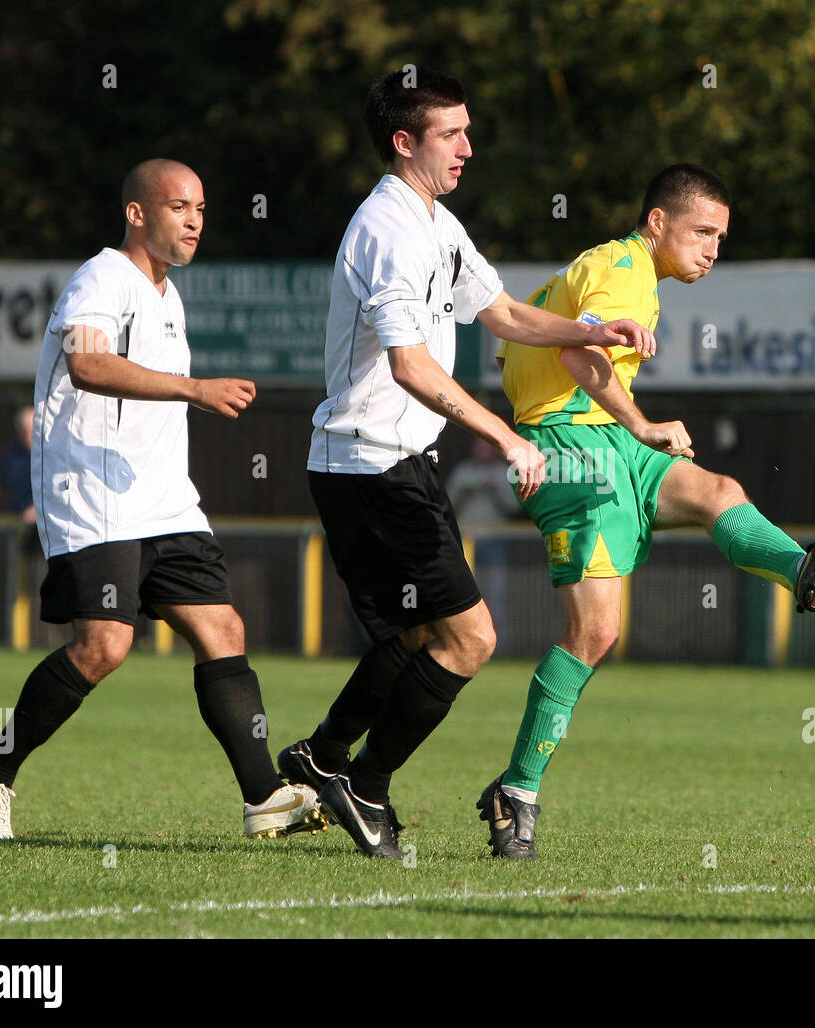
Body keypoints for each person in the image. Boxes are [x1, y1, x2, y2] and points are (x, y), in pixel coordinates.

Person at [275, 68, 656, 859]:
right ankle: (367, 787)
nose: (469, 148)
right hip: (370, 467)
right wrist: (509, 437)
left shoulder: (437, 222)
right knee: (470, 639)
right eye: (452, 134)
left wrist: (594, 331)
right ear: (404, 142)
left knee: (416, 637)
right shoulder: (388, 230)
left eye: (468, 131)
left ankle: (322, 757)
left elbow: (509, 315)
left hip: (389, 463)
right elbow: (411, 365)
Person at [477, 164, 815, 859]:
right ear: (657, 223)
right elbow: (575, 349)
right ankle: (518, 791)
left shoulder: (634, 276)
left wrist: (632, 430)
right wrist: (642, 424)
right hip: (570, 447)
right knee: (594, 636)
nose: (713, 248)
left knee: (719, 493)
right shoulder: (620, 268)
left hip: (606, 440)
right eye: (702, 232)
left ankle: (803, 574)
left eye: (720, 236)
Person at [0, 159, 325, 842]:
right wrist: (195, 389)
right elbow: (87, 364)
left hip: (164, 501)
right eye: (179, 206)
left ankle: (264, 797)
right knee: (104, 646)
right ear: (136, 213)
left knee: (224, 631)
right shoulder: (102, 278)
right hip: (93, 495)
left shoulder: (167, 296)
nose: (194, 221)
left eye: (202, 210)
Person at [445, 437, 525, 650]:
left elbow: (514, 508)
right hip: (465, 541)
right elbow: (447, 505)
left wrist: (494, 489)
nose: (482, 451)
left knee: (495, 593)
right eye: (479, 447)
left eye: (486, 447)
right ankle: (461, 644)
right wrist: (465, 490)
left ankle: (500, 647)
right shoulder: (462, 471)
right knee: (462, 595)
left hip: (495, 540)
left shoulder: (503, 472)